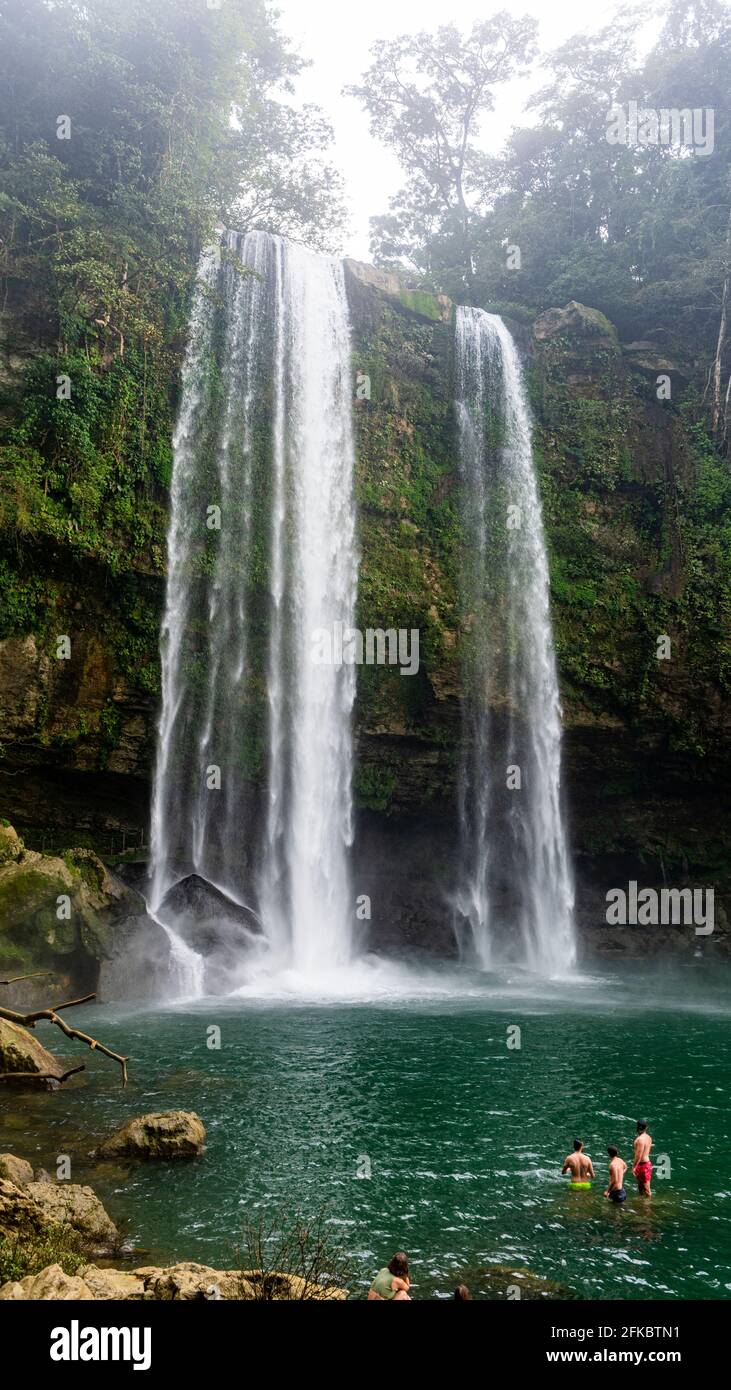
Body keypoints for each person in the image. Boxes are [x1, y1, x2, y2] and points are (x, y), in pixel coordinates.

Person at [633, 1120, 653, 1197]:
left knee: (647, 1189)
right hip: (647, 1164)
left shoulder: (640, 1140)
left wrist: (634, 1167)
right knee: (640, 1186)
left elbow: (639, 1155)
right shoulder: (648, 1137)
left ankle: (647, 1207)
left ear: (637, 1127)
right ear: (646, 1128)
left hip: (643, 1165)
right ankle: (641, 1202)